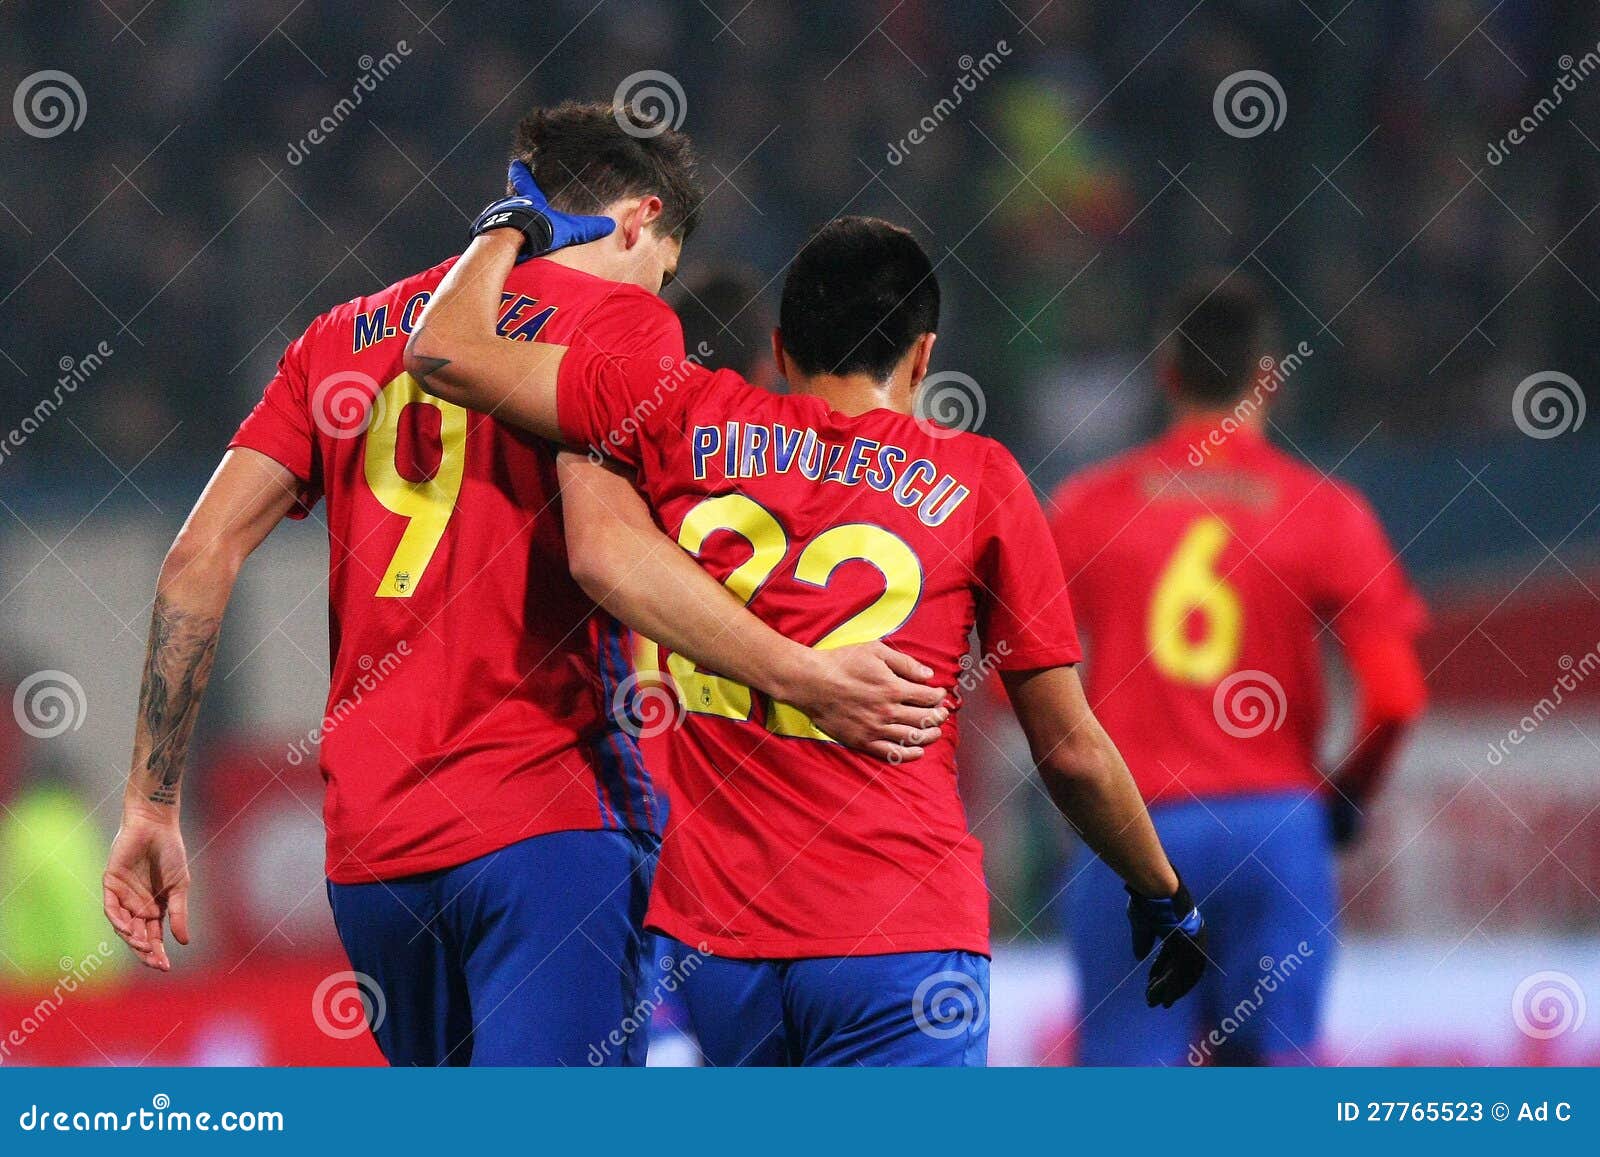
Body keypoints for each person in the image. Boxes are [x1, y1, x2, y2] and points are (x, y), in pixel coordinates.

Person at [101, 102, 946, 1067]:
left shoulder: (338, 337)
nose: (661, 291)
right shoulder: (623, 322)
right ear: (639, 220)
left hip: (377, 857)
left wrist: (150, 805)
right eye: (664, 266)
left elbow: (196, 559)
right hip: (545, 820)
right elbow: (605, 553)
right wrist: (805, 675)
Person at [404, 185, 1210, 1066]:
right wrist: (1159, 888)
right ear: (924, 355)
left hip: (720, 949)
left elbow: (444, 355)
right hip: (899, 933)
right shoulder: (982, 479)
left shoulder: (681, 415)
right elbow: (1069, 749)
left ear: (781, 347)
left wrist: (515, 231)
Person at [1047, 275, 1428, 1065]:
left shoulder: (1087, 506)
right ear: (1268, 378)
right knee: (1271, 1091)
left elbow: (1015, 681)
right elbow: (1395, 697)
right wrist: (1343, 800)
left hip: (1132, 828)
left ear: (1167, 374)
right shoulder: (1328, 511)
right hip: (1274, 828)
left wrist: (1079, 791)